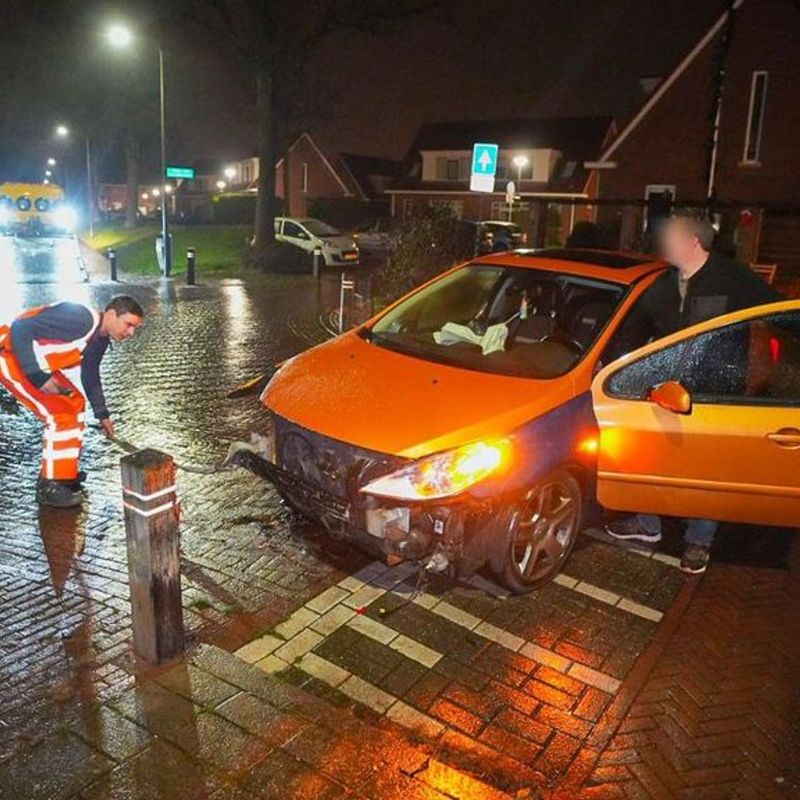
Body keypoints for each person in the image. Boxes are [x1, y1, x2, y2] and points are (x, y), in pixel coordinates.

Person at [605, 209, 782, 574]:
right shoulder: (665, 284)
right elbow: (633, 330)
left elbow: (778, 312)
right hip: (666, 390)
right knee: (653, 457)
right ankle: (647, 523)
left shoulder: (733, 279)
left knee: (707, 470)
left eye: (671, 236)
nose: (663, 242)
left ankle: (698, 543)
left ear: (693, 242)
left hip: (715, 395)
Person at [0, 296, 144, 508]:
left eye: (135, 328)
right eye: (128, 324)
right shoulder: (80, 319)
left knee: (75, 404)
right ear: (112, 314)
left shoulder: (100, 338)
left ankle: (62, 473)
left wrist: (102, 413)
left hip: (36, 366)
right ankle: (51, 486)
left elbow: (90, 375)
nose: (131, 333)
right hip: (13, 358)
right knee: (61, 414)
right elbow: (21, 328)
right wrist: (37, 376)